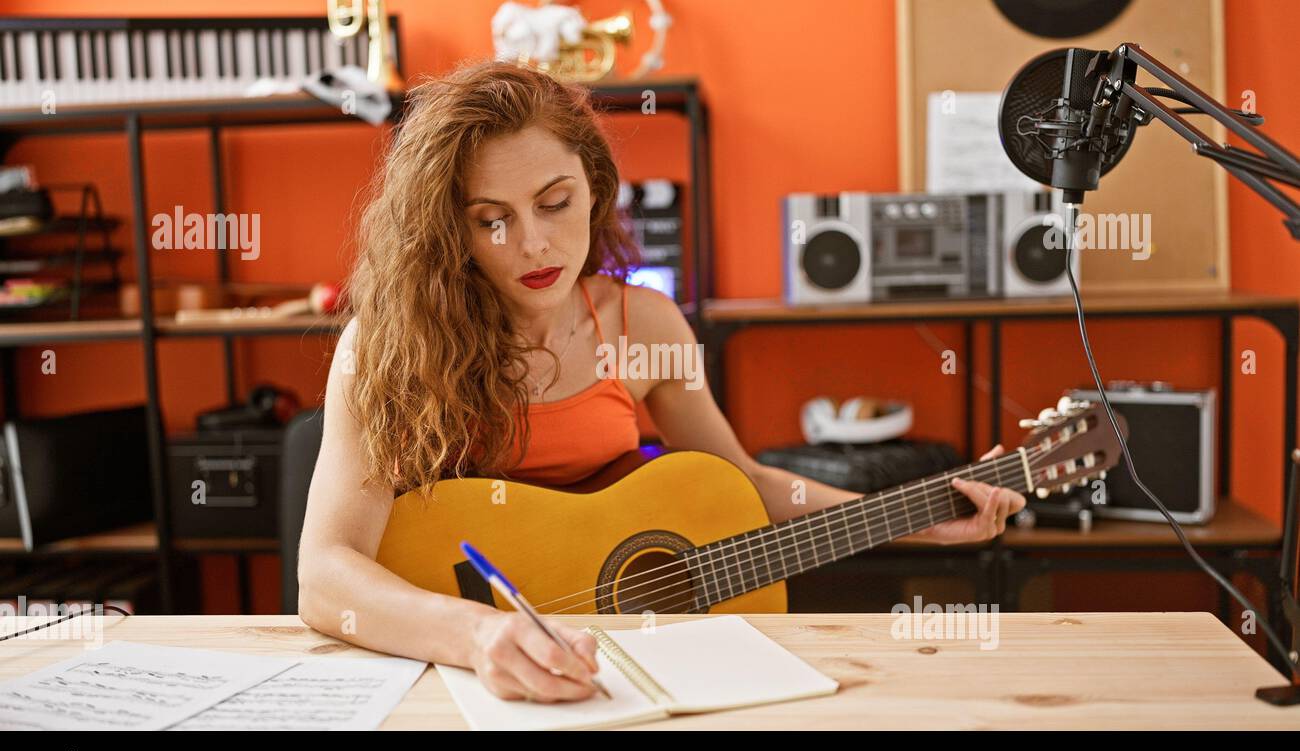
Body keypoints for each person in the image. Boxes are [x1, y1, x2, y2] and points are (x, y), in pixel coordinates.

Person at [297, 60, 1026, 703]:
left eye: (555, 202)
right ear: (446, 231)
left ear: (595, 186)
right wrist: (480, 635)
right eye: (491, 220)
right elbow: (326, 574)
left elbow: (739, 482)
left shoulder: (644, 327)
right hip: (442, 675)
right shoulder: (388, 344)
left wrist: (914, 514)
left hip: (609, 674)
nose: (534, 243)